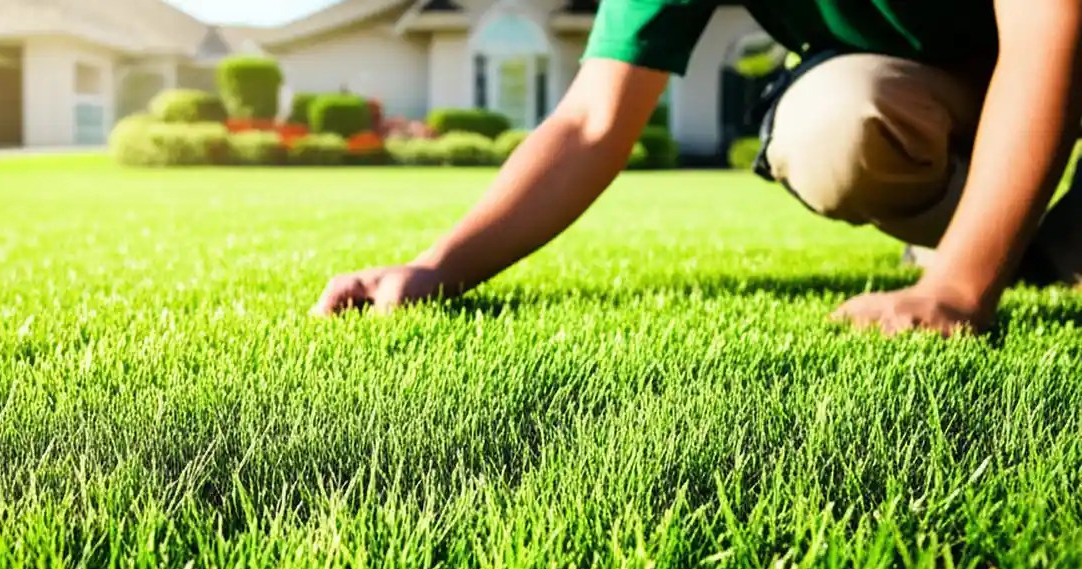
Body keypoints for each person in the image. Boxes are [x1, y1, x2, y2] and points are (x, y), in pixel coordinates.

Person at [312, 0, 1082, 336]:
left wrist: (958, 289)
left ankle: (1013, 243)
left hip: (1058, 55)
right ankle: (1015, 239)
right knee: (831, 127)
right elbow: (592, 119)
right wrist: (434, 268)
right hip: (943, 99)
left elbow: (1050, 35)